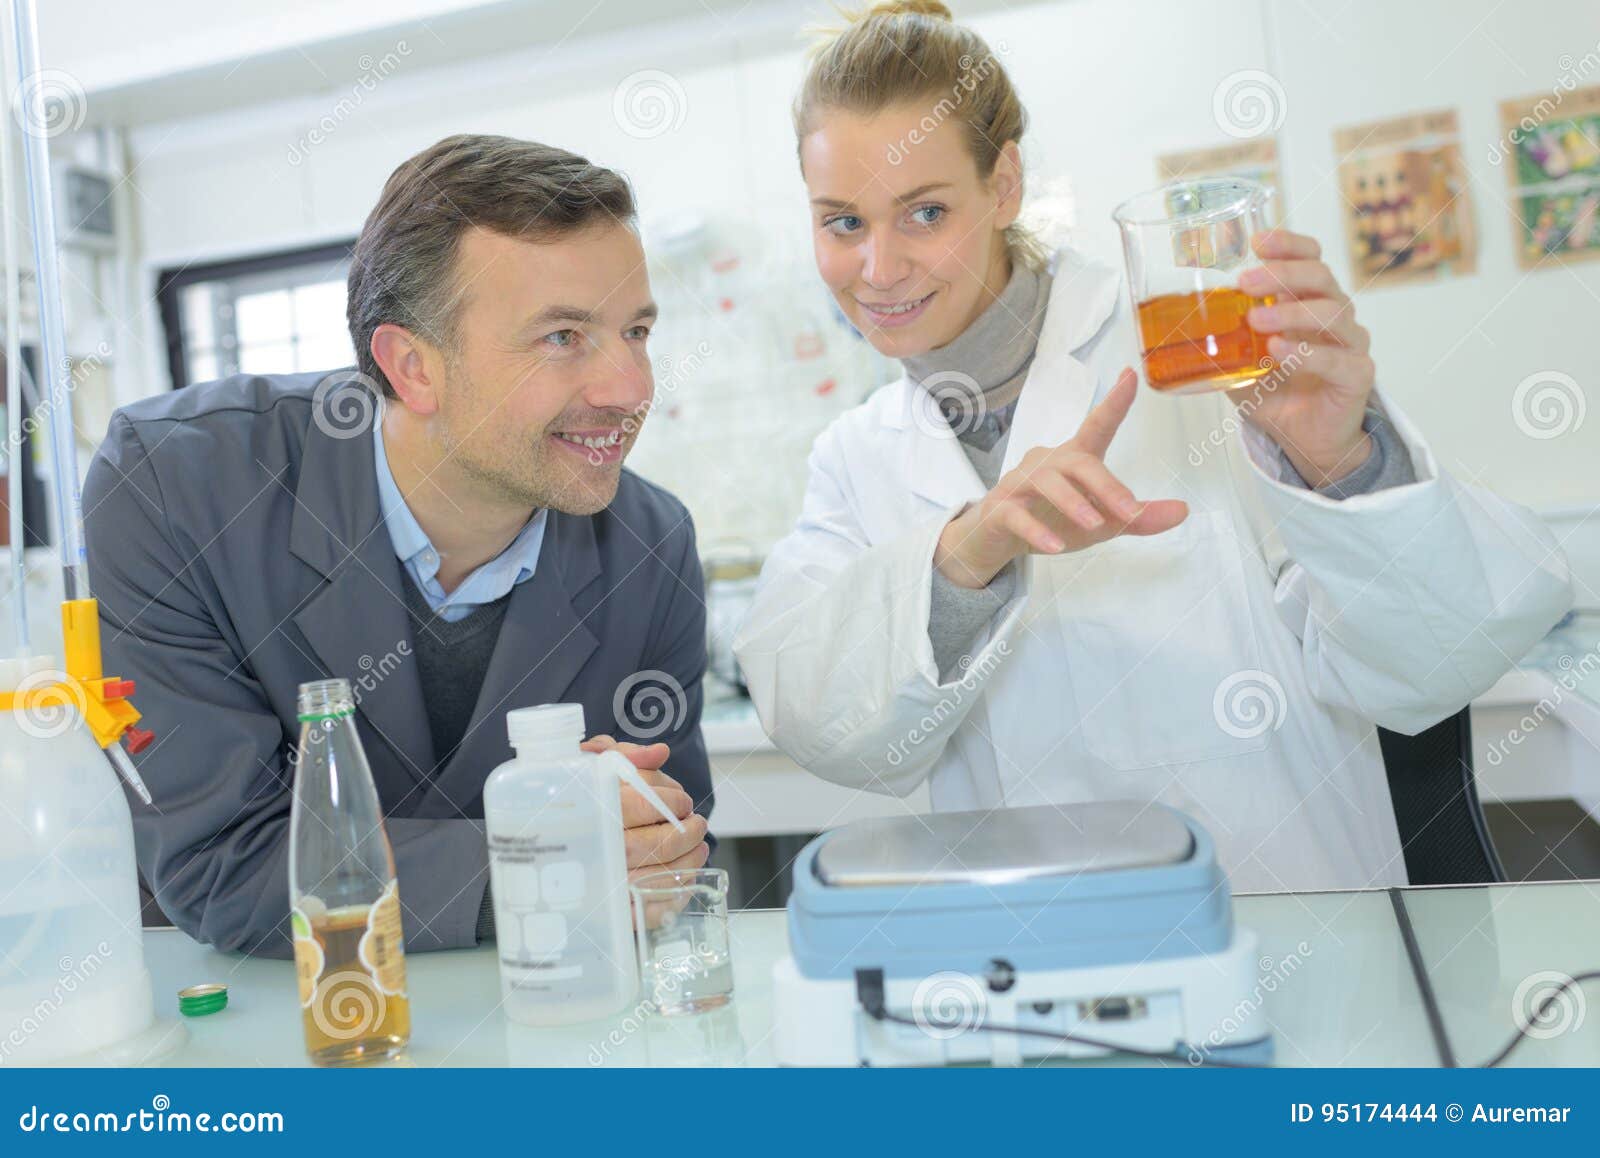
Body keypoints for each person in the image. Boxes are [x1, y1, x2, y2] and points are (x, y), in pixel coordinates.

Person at [734, 0, 1573, 892]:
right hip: (1036, 975)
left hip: (1286, 941)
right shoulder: (857, 455)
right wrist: (962, 555)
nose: (879, 269)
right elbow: (815, 720)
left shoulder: (1208, 366)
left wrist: (1343, 462)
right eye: (842, 223)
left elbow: (1441, 660)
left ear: (1004, 183)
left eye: (926, 213)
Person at [83, 135, 711, 955]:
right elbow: (225, 863)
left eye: (636, 331)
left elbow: (668, 852)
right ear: (412, 366)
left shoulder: (650, 544)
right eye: (564, 337)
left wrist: (644, 838)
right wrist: (544, 860)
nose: (631, 388)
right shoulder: (173, 487)